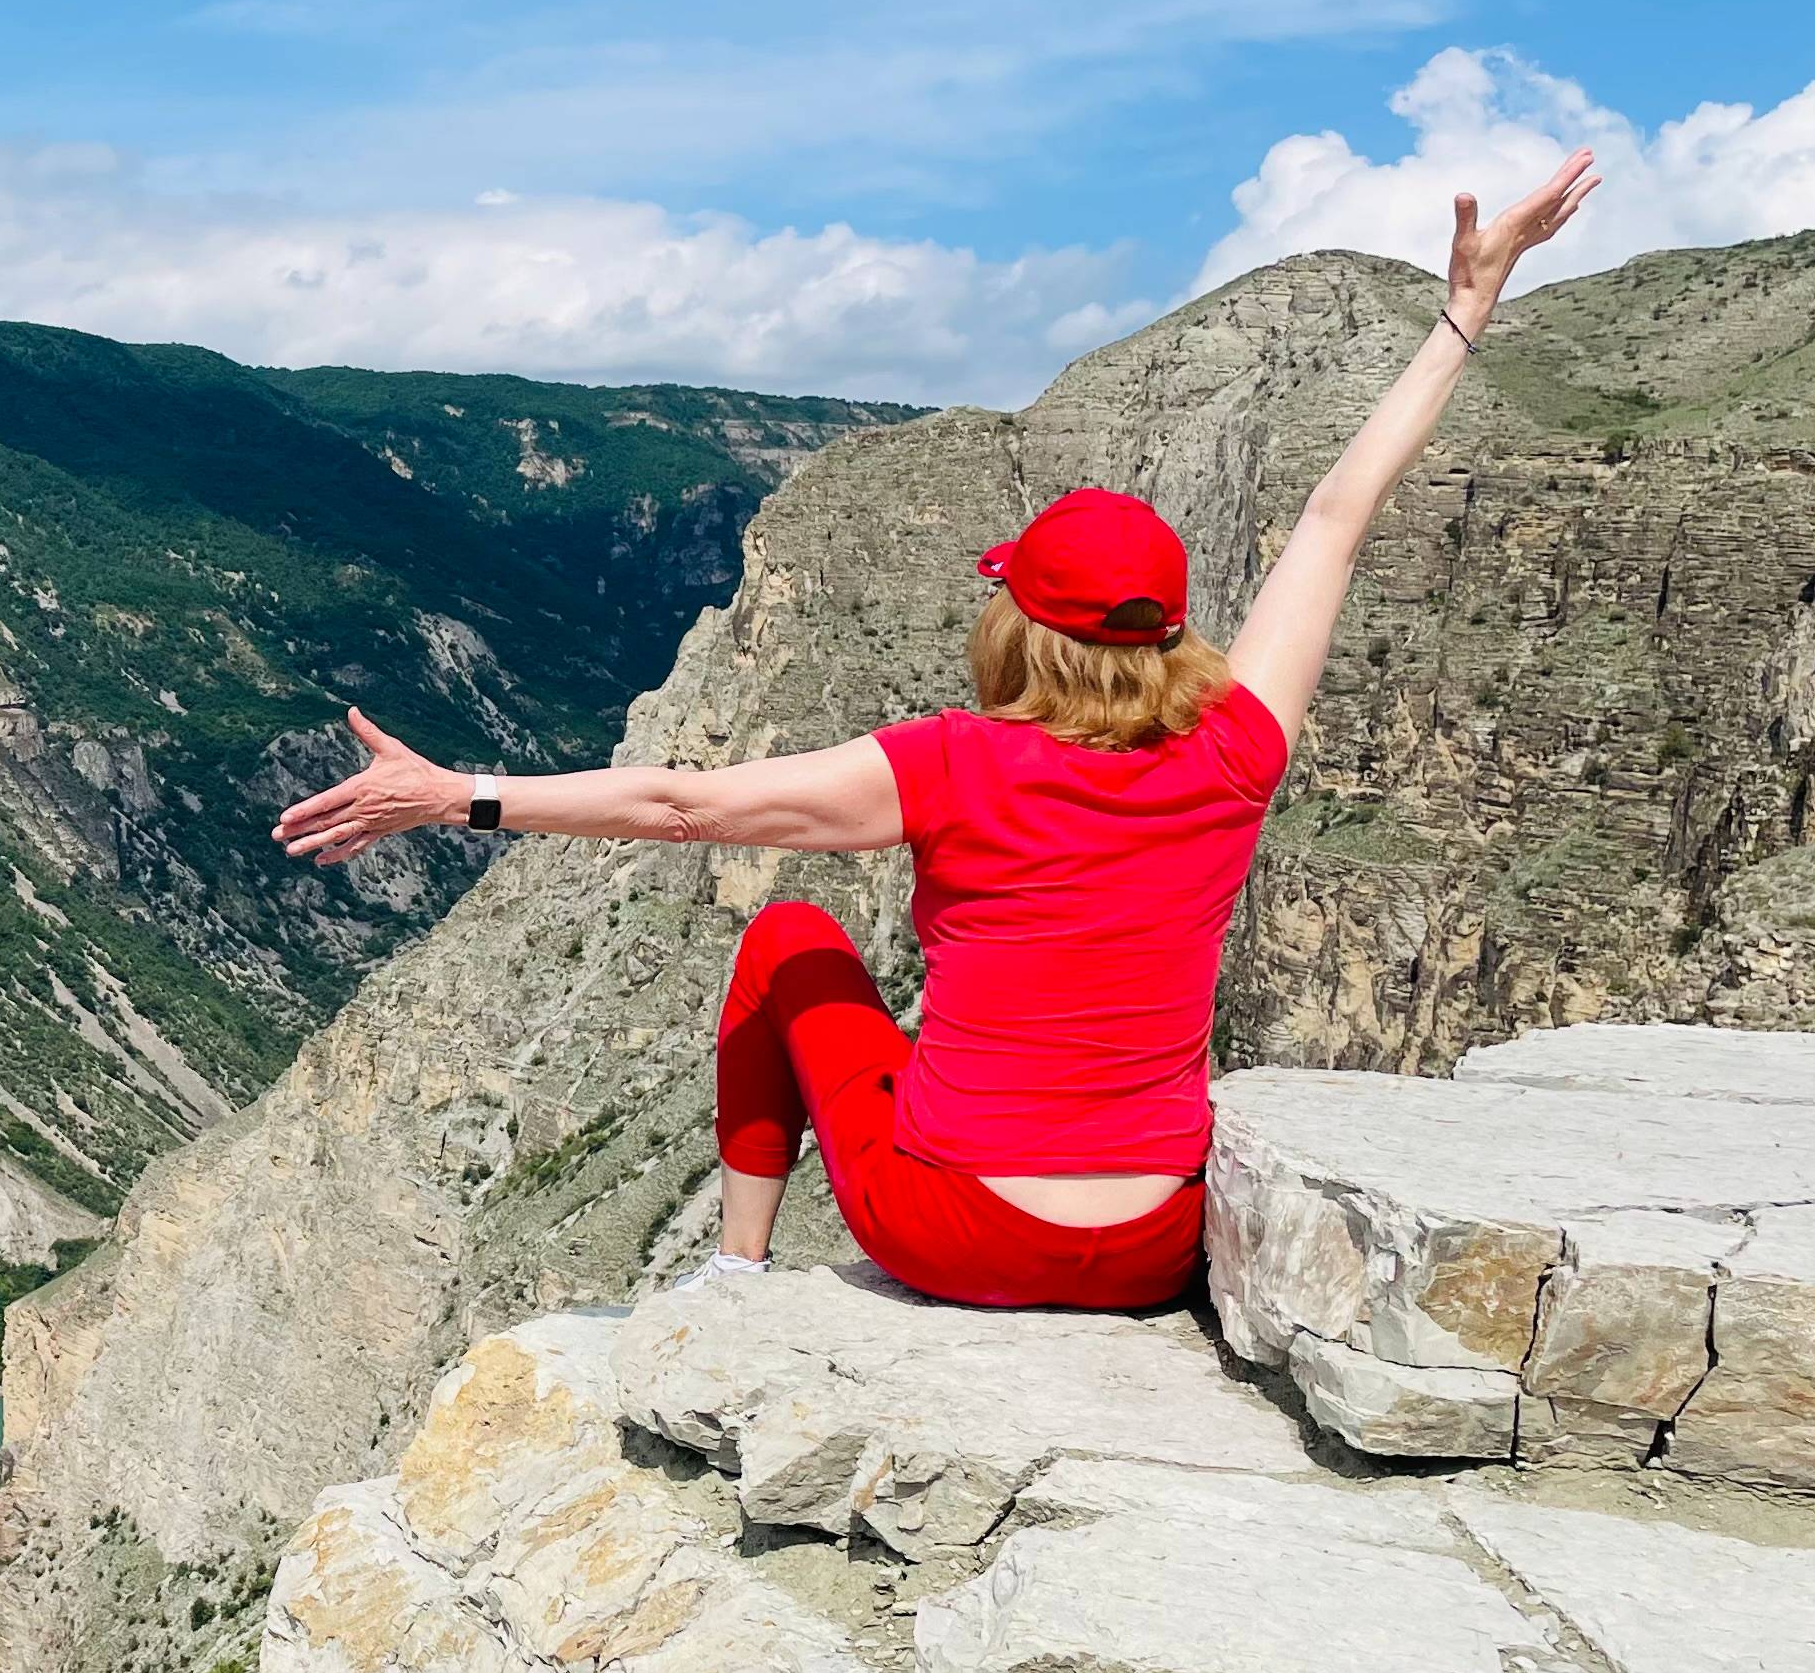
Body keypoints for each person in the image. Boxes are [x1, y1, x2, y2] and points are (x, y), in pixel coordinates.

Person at [270, 153, 1602, 1310]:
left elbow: (687, 805)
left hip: (957, 1231)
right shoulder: (1238, 746)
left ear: (1020, 624)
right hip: (1153, 1242)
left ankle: (736, 1276)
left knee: (788, 939)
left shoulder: (955, 765)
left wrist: (456, 795)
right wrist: (1462, 318)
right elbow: (1333, 520)